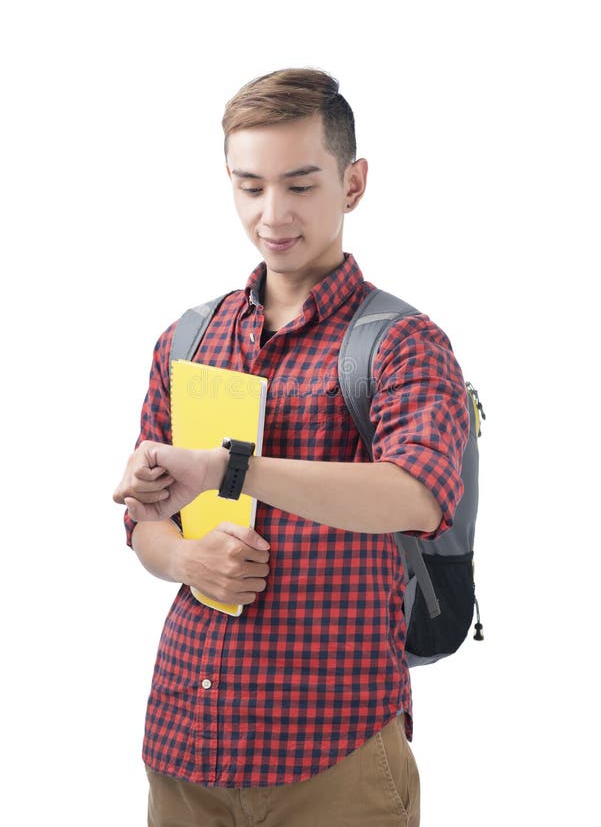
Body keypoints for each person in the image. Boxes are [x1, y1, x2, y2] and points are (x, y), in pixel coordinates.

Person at [114, 68, 469, 827]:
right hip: (183, 742)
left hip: (333, 752)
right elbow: (143, 523)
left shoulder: (402, 343)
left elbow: (416, 495)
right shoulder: (188, 338)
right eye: (250, 186)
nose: (272, 214)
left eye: (300, 185)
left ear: (353, 183)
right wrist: (184, 557)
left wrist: (230, 469)